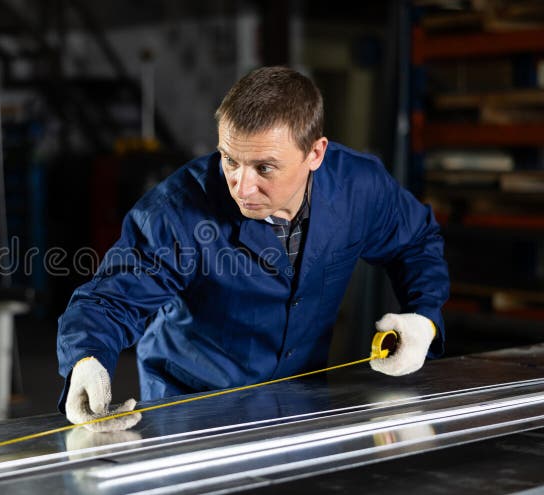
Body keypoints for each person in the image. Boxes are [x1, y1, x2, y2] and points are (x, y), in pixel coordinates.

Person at [56, 66, 449, 432]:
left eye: (264, 168)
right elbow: (110, 301)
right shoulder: (177, 212)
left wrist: (424, 316)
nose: (241, 188)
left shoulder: (357, 190)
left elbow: (415, 241)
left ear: (315, 153)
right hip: (192, 410)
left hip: (301, 406)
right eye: (230, 160)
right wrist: (86, 360)